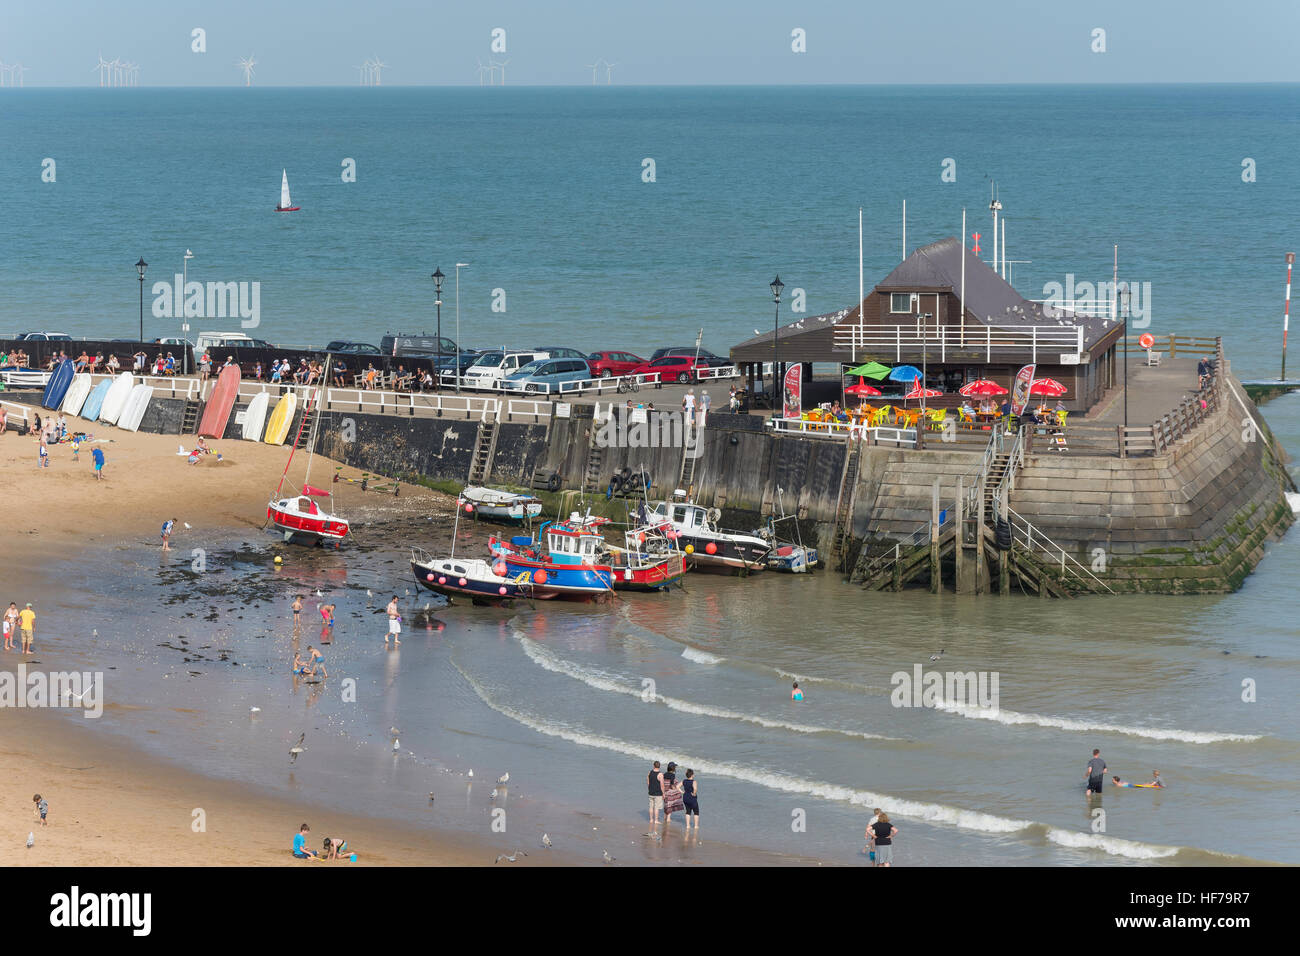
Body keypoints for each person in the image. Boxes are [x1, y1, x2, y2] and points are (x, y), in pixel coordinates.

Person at [662, 762, 684, 827]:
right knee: (671, 804)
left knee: (667, 804)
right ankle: (668, 819)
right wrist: (676, 789)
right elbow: (671, 785)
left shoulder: (664, 774)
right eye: (675, 767)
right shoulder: (672, 775)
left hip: (664, 791)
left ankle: (665, 817)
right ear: (673, 768)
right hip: (669, 791)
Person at [647, 760, 665, 825]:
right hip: (658, 793)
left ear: (654, 766)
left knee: (651, 806)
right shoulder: (660, 774)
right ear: (659, 766)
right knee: (656, 807)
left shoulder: (650, 772)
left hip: (651, 792)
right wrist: (663, 793)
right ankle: (656, 820)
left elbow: (648, 780)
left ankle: (651, 819)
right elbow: (662, 785)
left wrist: (649, 787)